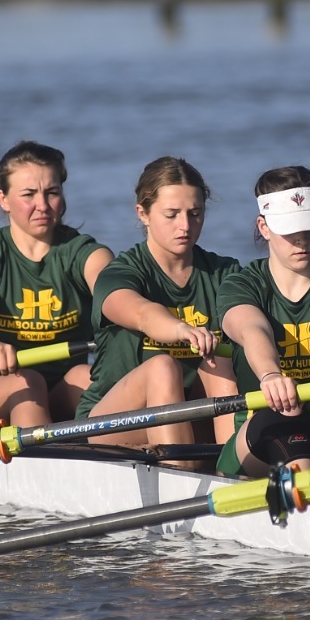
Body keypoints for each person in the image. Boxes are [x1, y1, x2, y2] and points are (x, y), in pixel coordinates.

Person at [75, 156, 239, 460]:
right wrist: (179, 329)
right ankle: (184, 476)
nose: (185, 226)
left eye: (195, 213)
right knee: (163, 367)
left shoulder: (225, 273)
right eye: (171, 214)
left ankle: (235, 471)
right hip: (112, 424)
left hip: (190, 415)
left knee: (220, 361)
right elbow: (141, 313)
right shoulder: (119, 273)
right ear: (143, 213)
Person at [215, 166, 310, 479]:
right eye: (290, 231)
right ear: (264, 227)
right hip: (263, 433)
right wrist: (272, 374)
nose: (302, 240)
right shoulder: (242, 285)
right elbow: (252, 329)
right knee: (286, 415)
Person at [0, 141, 112, 428]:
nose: (42, 205)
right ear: (3, 199)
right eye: (29, 194)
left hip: (61, 388)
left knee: (86, 376)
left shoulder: (84, 252)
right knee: (28, 381)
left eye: (52, 192)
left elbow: (114, 293)